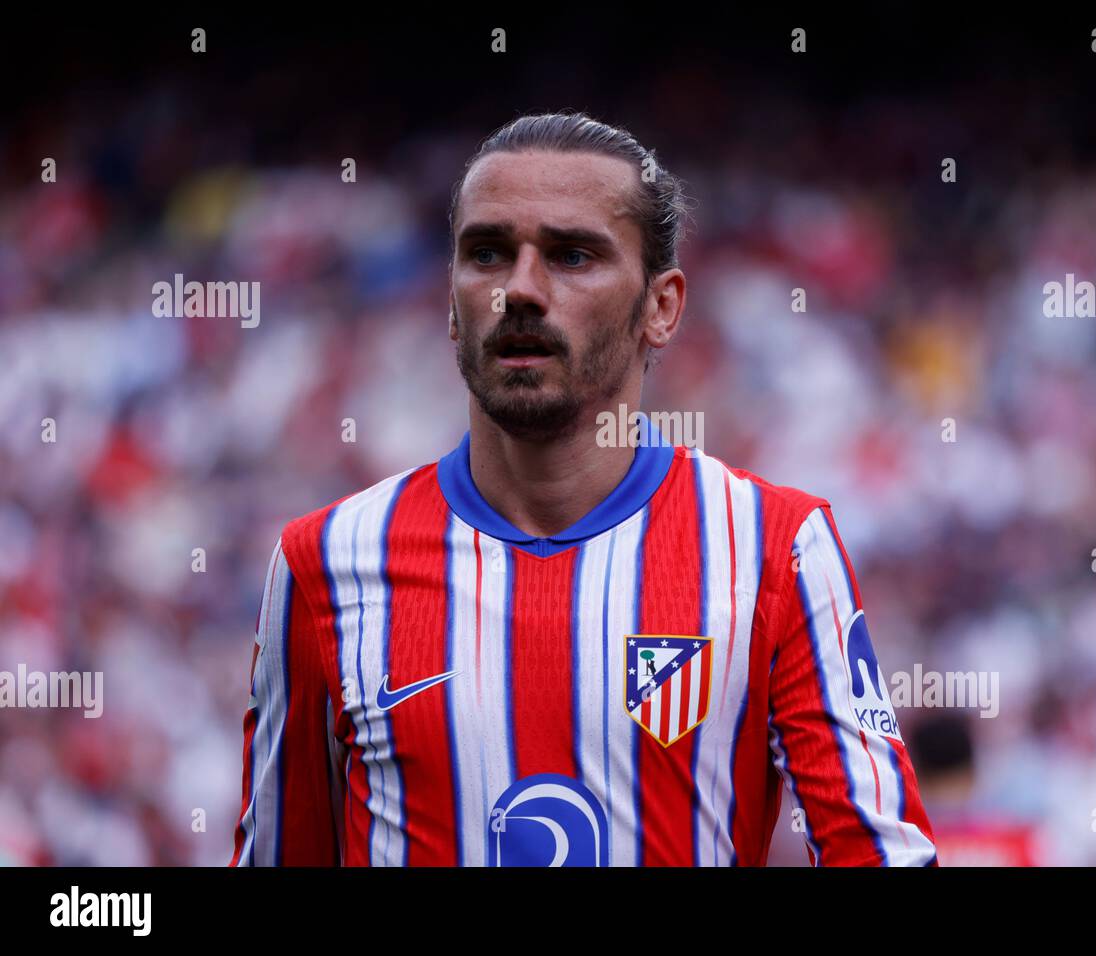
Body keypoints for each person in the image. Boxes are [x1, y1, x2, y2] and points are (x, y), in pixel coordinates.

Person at [230, 111, 938, 866]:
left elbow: (882, 854)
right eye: (488, 254)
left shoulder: (775, 549)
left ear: (660, 308)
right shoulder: (324, 563)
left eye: (571, 256)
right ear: (449, 298)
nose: (521, 290)